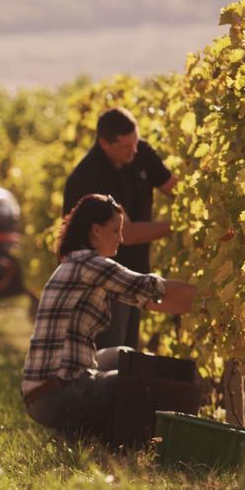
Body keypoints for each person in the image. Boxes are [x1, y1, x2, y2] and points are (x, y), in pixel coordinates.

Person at [22, 194, 198, 436]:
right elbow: (152, 287)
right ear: (96, 230)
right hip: (56, 394)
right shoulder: (90, 264)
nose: (121, 238)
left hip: (41, 393)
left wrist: (199, 307)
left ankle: (84, 432)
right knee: (140, 385)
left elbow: (150, 302)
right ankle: (119, 443)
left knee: (125, 357)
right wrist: (209, 297)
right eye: (116, 230)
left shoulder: (77, 262)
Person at [62, 107, 179, 350]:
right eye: (125, 146)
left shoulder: (140, 152)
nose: (133, 151)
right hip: (100, 284)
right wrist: (181, 225)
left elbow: (175, 189)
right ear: (104, 143)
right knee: (109, 355)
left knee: (126, 354)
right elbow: (127, 234)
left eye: (135, 142)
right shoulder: (89, 177)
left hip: (133, 276)